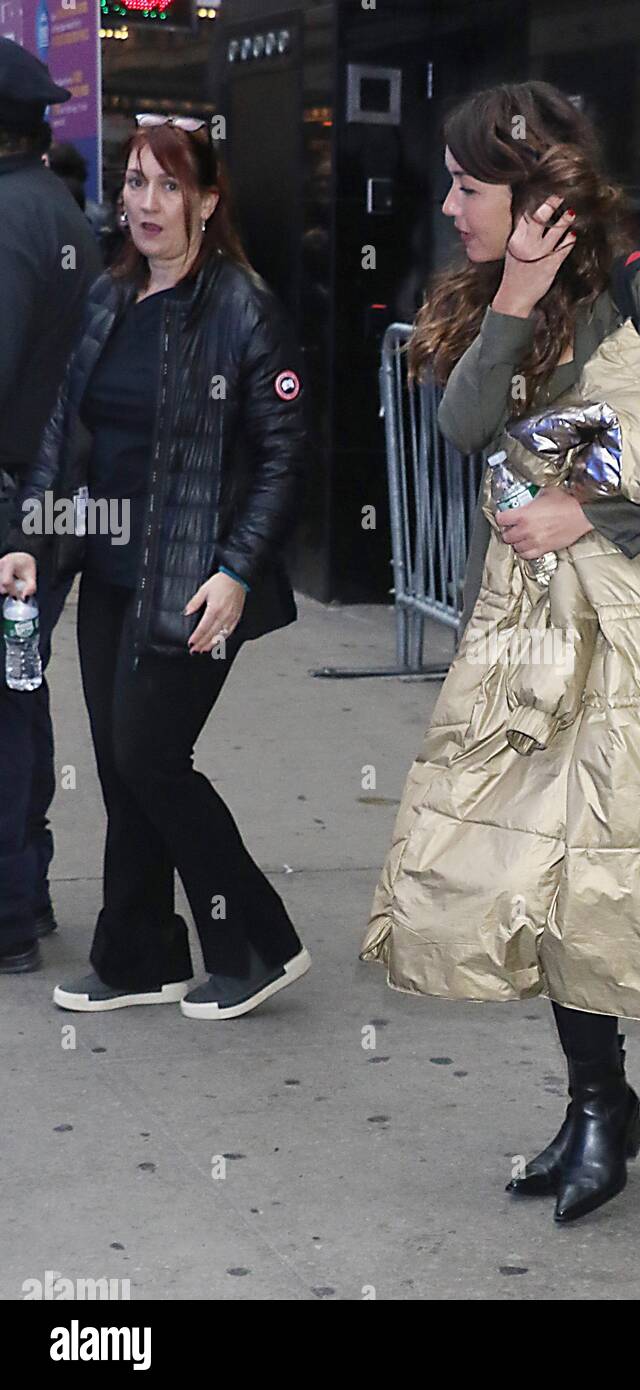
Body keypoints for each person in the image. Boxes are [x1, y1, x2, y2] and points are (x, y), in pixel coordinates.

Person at [360, 81, 640, 1221]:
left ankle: (602, 1108)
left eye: (468, 185)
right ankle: (597, 1098)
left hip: (635, 646)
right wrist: (516, 293)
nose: (449, 203)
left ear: (536, 194)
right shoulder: (505, 290)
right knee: (533, 877)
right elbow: (460, 426)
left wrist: (584, 511)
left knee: (591, 878)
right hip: (533, 639)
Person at [0, 113, 312, 1019]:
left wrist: (239, 571)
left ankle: (256, 939)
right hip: (109, 574)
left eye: (169, 186)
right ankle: (139, 954)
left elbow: (285, 458)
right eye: (135, 182)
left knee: (150, 755)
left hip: (198, 580)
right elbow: (64, 437)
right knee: (118, 760)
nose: (146, 203)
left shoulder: (243, 308)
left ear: (208, 202)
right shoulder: (106, 299)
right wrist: (27, 537)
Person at [0, 38, 102, 973]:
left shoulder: (9, 219)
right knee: (16, 690)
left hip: (13, 515)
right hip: (50, 506)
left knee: (6, 698)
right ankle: (22, 896)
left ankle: (8, 908)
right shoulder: (60, 209)